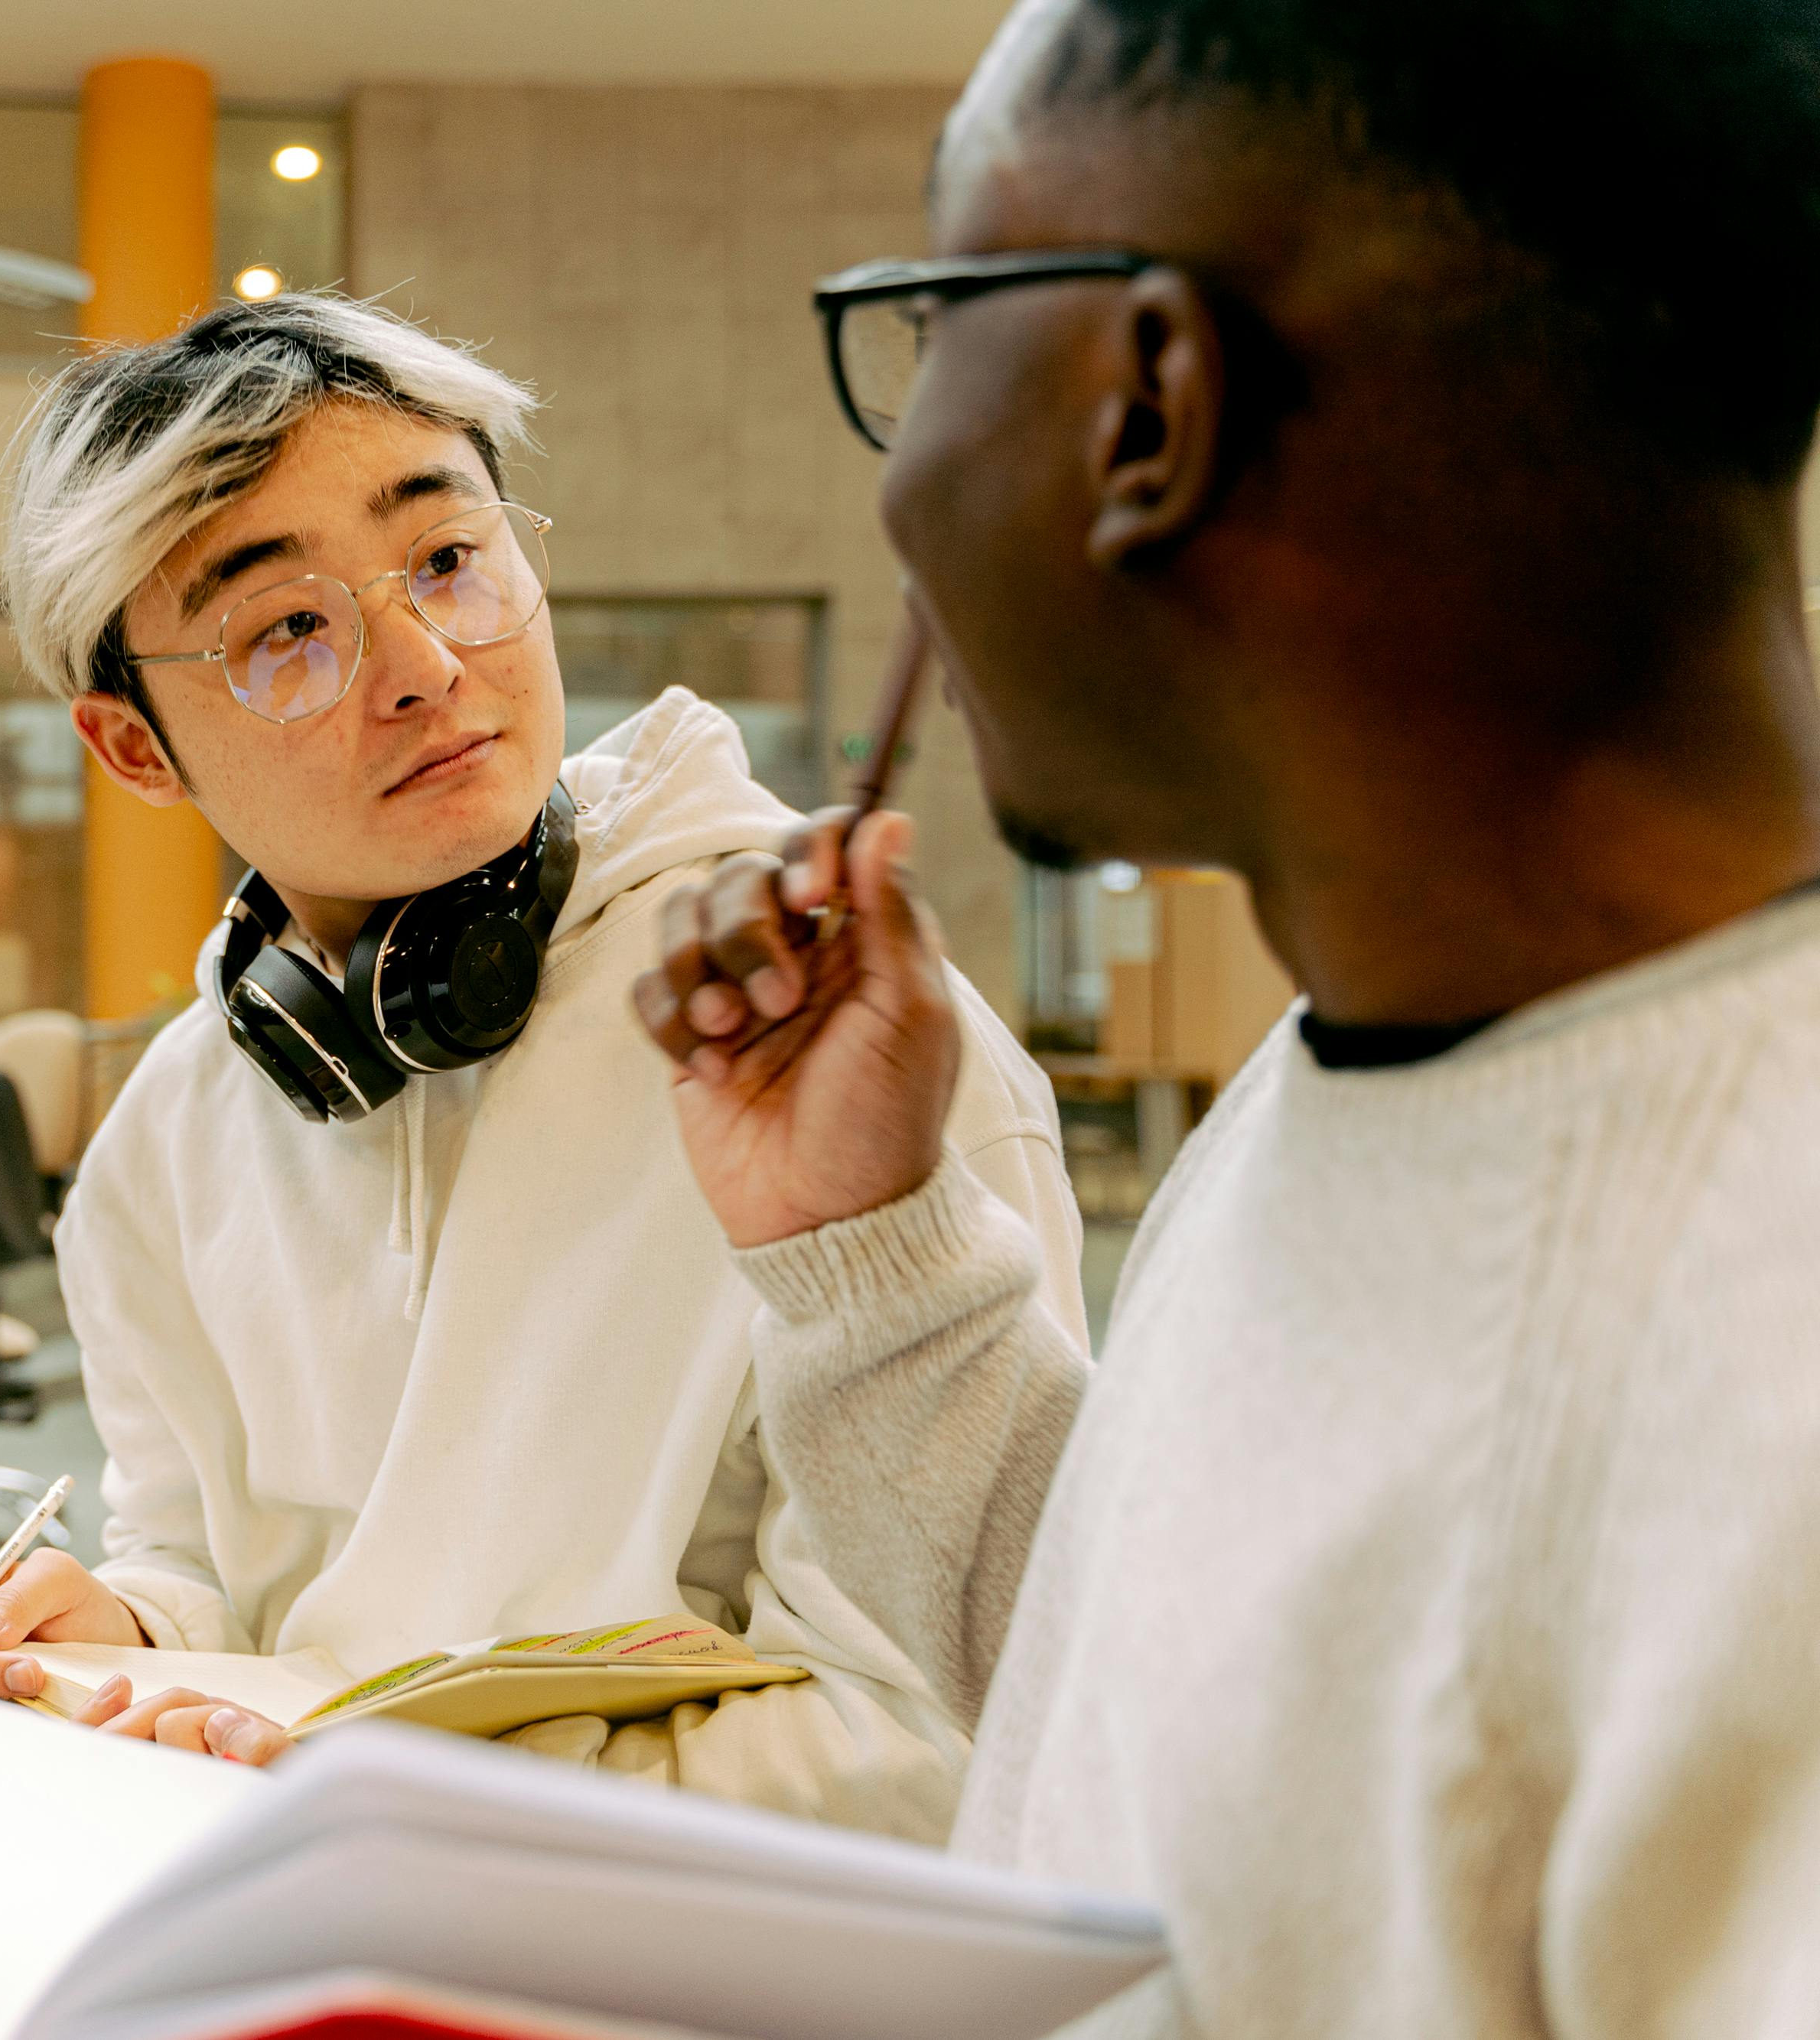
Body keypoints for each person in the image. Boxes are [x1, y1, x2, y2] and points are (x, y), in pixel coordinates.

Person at [636, 0, 1820, 2028]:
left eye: (930, 326)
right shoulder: (1356, 1066)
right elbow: (1177, 1768)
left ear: (1149, 403)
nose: (906, 480)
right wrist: (874, 1259)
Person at [0, 293, 1089, 1836]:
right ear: (130, 749)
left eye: (447, 560)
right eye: (286, 632)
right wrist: (124, 1637)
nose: (424, 664)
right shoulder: (161, 1147)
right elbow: (213, 1576)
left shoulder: (825, 1044)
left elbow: (932, 1737)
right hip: (328, 1895)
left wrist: (407, 1801)